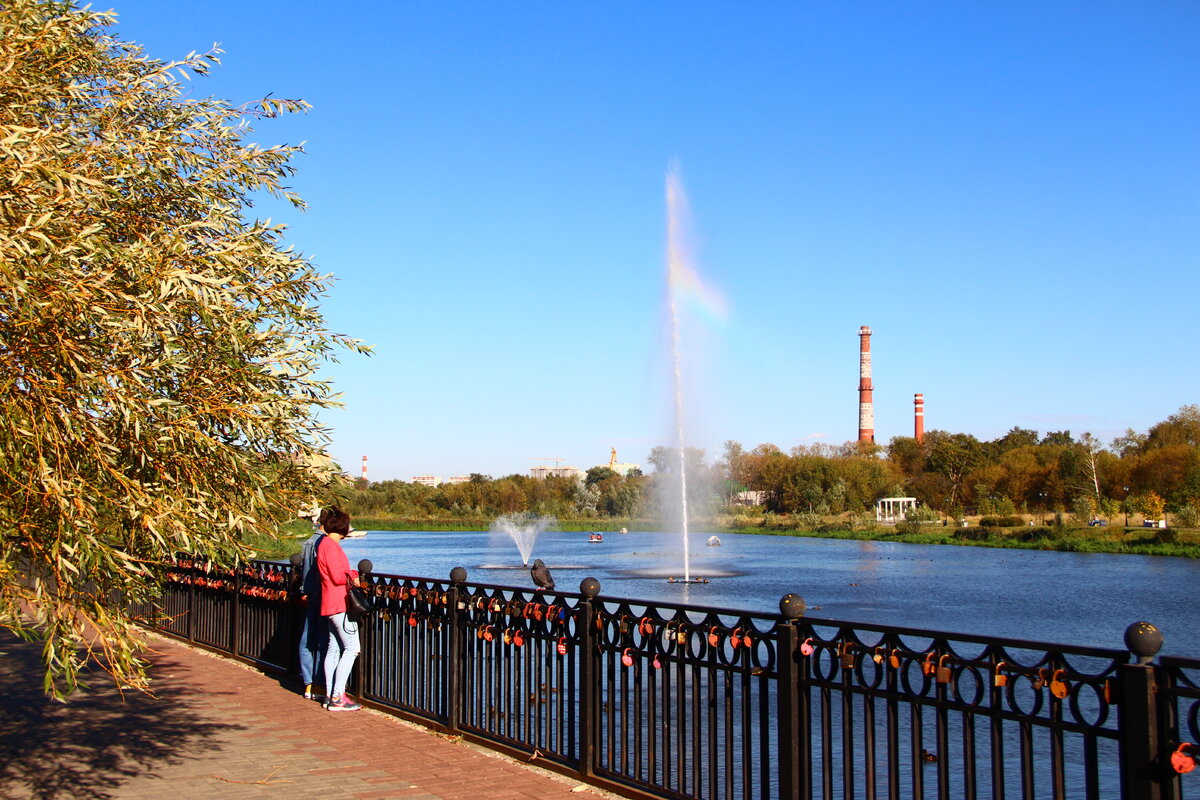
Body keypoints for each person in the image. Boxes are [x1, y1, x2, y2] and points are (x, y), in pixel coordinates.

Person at [317, 508, 362, 712]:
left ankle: (330, 694)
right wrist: (352, 573)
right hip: (339, 603)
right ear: (343, 526)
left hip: (329, 602)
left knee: (334, 648)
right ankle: (338, 696)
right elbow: (337, 576)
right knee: (352, 648)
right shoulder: (332, 547)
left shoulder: (323, 543)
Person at [296, 508, 330, 701]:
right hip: (323, 595)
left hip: (310, 595)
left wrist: (304, 590)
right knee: (324, 640)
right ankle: (319, 683)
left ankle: (308, 683)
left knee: (308, 639)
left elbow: (305, 571)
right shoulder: (324, 543)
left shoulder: (309, 542)